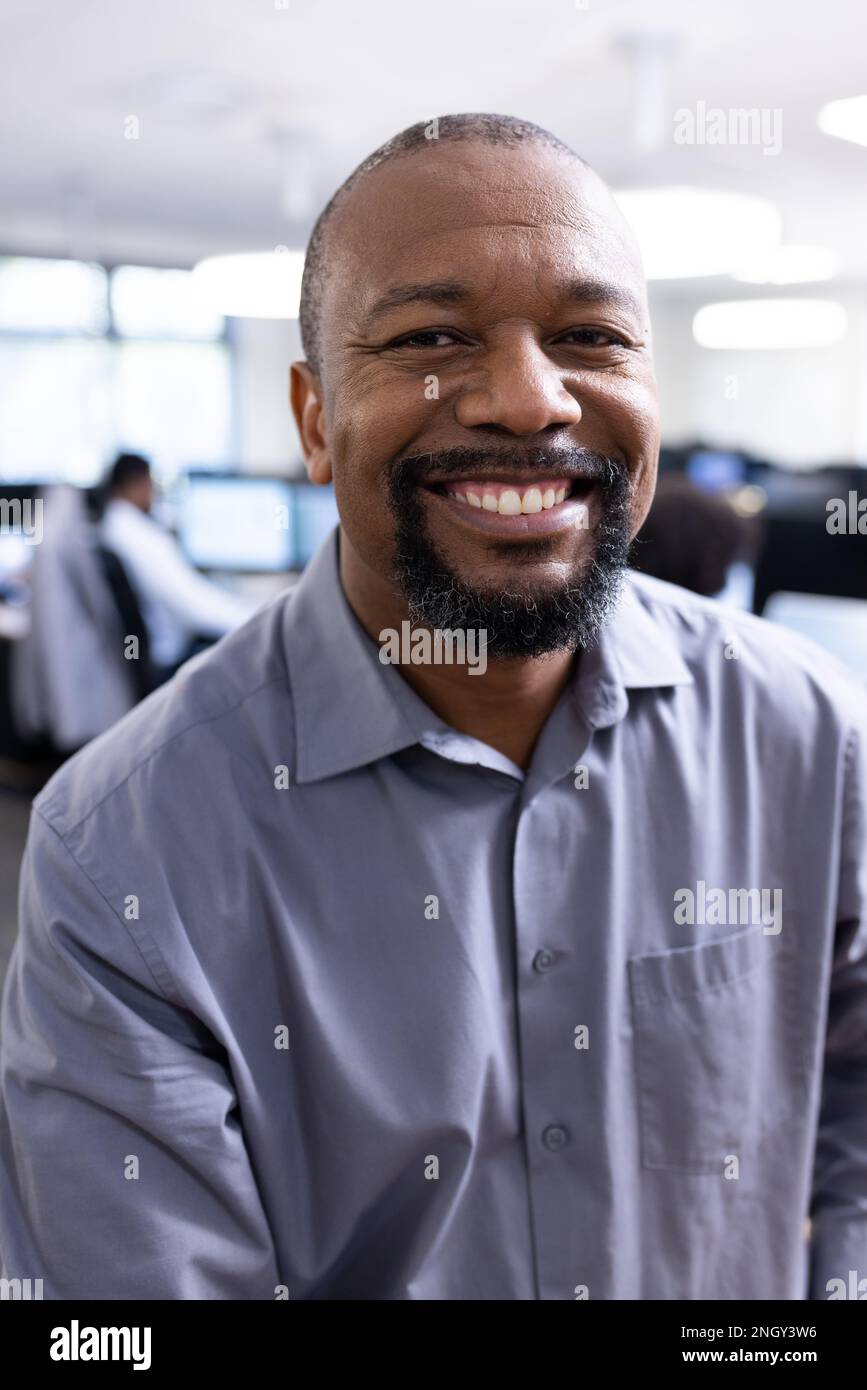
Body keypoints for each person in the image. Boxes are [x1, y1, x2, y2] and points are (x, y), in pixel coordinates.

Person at [0, 113, 865, 1301]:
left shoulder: (813, 737)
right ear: (313, 419)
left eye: (590, 335)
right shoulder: (122, 849)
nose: (526, 398)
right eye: (432, 335)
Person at [100, 452, 253, 676]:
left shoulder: (116, 527)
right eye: (151, 485)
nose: (154, 494)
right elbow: (196, 609)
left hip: (159, 656)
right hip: (172, 662)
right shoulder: (139, 537)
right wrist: (254, 617)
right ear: (135, 485)